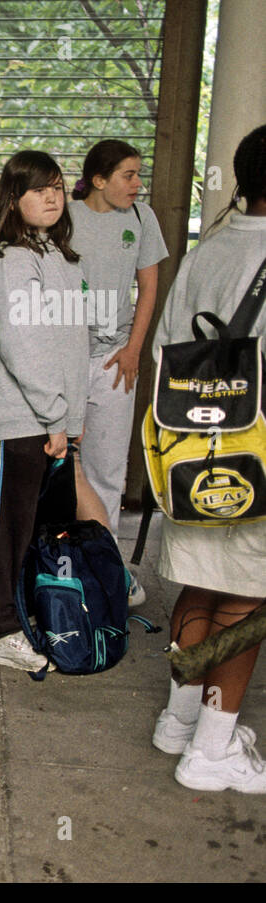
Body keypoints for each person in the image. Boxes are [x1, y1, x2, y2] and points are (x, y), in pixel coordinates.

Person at [149, 124, 266, 793]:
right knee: (248, 597)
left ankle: (180, 717)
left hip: (193, 452)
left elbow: (168, 348)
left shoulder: (209, 249)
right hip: (258, 460)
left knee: (199, 578)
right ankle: (213, 751)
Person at [0, 150, 90, 670]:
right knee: (8, 526)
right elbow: (25, 346)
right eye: (39, 189)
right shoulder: (10, 261)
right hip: (22, 417)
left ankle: (21, 618)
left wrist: (69, 418)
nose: (52, 196)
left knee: (35, 526)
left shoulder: (54, 256)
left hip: (49, 417)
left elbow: (65, 343)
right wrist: (56, 417)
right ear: (13, 200)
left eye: (58, 187)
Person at [68, 139, 169, 604]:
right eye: (128, 175)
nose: (137, 183)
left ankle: (105, 568)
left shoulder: (142, 218)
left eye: (138, 174)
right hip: (66, 361)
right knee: (63, 464)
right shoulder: (65, 217)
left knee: (108, 469)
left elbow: (148, 287)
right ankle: (58, 564)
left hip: (114, 361)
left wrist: (134, 350)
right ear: (100, 179)